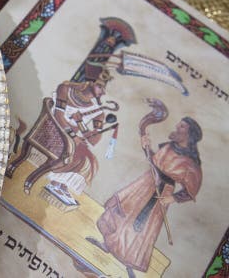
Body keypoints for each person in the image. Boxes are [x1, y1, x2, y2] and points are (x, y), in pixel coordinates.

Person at [87, 117, 203, 278]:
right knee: (123, 211)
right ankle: (108, 245)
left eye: (182, 126)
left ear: (189, 134)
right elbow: (154, 163)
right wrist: (146, 147)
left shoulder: (191, 163)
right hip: (146, 183)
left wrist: (174, 198)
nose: (177, 126)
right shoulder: (169, 146)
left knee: (143, 227)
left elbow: (192, 190)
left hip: (162, 192)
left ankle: (128, 262)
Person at [44, 76, 112, 205]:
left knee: (90, 160)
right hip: (53, 130)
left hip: (70, 139)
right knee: (76, 153)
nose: (103, 92)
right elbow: (58, 116)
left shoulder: (98, 111)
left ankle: (62, 186)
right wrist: (73, 136)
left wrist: (80, 123)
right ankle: (55, 184)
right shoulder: (65, 89)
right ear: (90, 82)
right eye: (100, 86)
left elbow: (94, 141)